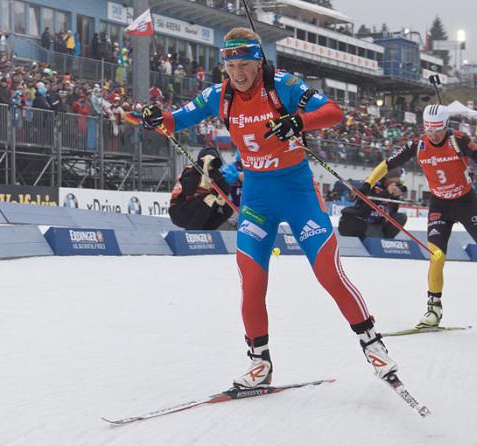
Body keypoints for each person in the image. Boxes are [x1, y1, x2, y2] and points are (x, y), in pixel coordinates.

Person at [141, 27, 397, 389]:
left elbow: (334, 111)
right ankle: (260, 363)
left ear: (258, 61)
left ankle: (372, 343)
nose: (238, 75)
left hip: (297, 194)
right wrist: (154, 118)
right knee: (252, 281)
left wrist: (299, 120)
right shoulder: (219, 94)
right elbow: (174, 121)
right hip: (258, 198)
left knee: (328, 273)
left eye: (245, 65)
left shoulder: (283, 85)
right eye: (231, 68)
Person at [358, 104, 477, 329]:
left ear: (446, 126)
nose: (433, 135)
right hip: (440, 205)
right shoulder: (417, 145)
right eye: (429, 130)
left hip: (467, 203)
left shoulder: (459, 140)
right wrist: (368, 183)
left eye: (438, 130)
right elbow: (388, 164)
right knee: (436, 256)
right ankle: (433, 309)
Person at [169, 147, 234, 230]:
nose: (209, 164)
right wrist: (196, 172)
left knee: (228, 208)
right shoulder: (190, 170)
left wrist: (218, 178)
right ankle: (191, 232)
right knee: (209, 198)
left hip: (199, 211)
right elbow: (188, 191)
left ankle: (206, 231)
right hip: (180, 210)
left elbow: (225, 193)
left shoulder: (215, 173)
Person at [338, 168, 408, 240]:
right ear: (385, 178)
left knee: (401, 217)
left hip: (379, 223)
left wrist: (395, 197)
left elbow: (392, 212)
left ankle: (386, 240)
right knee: (375, 238)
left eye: (397, 181)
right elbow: (366, 205)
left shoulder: (390, 189)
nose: (395, 184)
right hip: (364, 221)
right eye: (393, 181)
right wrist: (386, 192)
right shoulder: (372, 185)